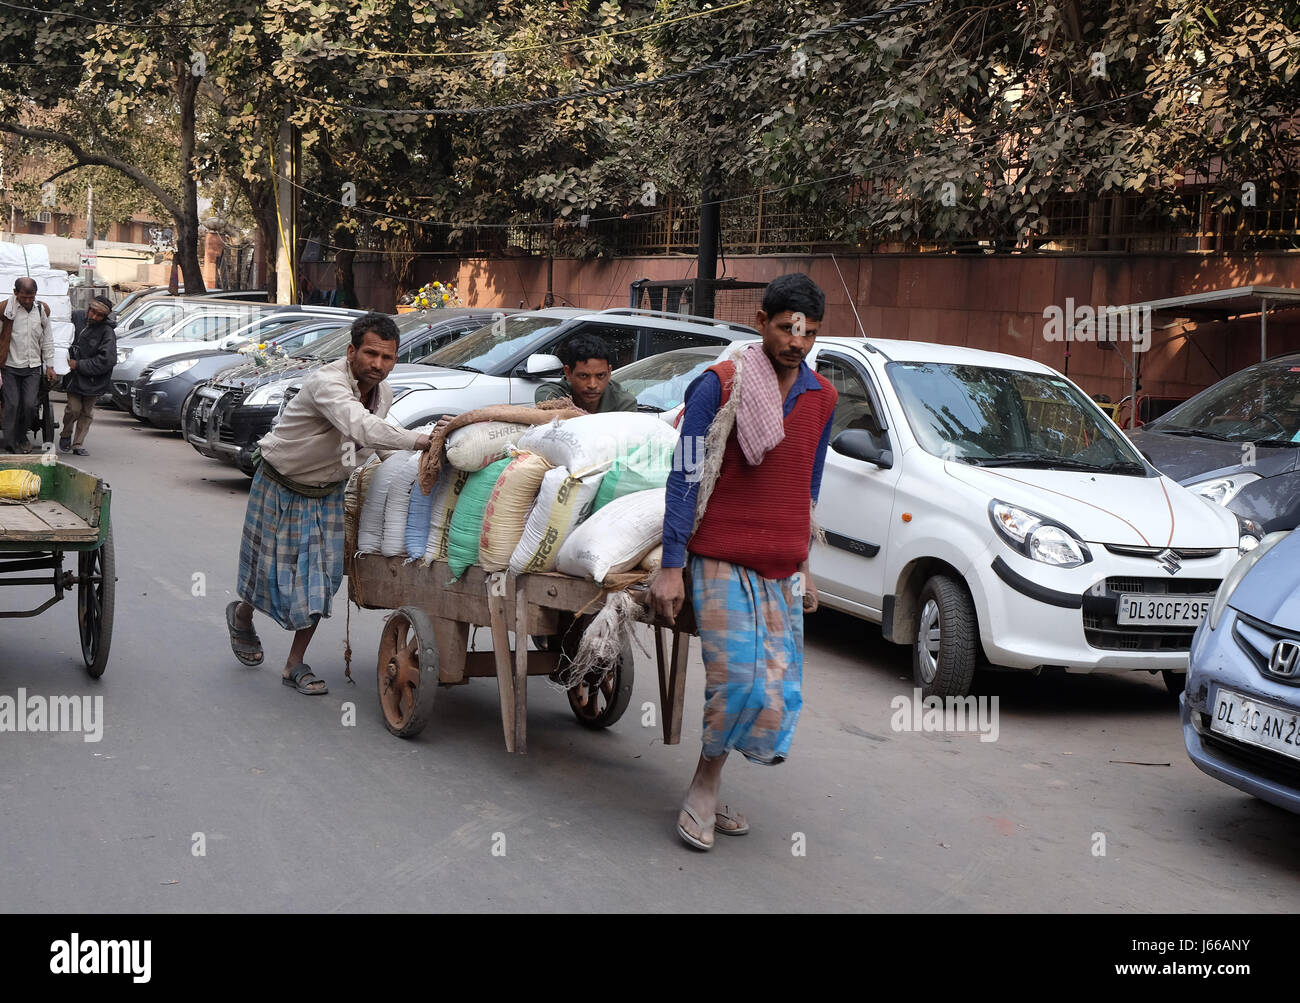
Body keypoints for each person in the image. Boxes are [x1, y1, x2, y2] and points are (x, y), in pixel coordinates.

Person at [649, 273, 838, 851]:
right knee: (736, 682)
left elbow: (809, 485)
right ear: (760, 321)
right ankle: (704, 787)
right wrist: (672, 564)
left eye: (808, 333)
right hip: (719, 557)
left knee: (774, 691)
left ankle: (714, 777)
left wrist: (805, 564)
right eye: (787, 329)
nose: (797, 344)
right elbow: (684, 474)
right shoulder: (718, 384)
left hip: (782, 566)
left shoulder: (823, 398)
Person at [225, 312, 436, 695]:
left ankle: (294, 665)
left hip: (327, 493)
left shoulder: (382, 394)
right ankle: (242, 615)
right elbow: (360, 425)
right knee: (264, 571)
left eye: (387, 358)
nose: (378, 365)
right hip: (280, 481)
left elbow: (373, 443)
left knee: (321, 582)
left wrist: (415, 476)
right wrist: (421, 441)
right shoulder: (327, 383)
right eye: (371, 354)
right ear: (351, 350)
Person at [0, 277, 56, 454]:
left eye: (31, 297)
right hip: (9, 367)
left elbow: (47, 338)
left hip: (32, 368)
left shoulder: (41, 310)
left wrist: (50, 365)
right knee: (12, 405)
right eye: (24, 297)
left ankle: (21, 436)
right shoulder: (4, 310)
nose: (27, 301)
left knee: (30, 404)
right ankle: (10, 442)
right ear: (15, 293)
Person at [59, 296, 117, 456]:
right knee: (73, 409)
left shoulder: (107, 332)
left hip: (94, 379)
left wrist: (79, 365)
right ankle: (66, 433)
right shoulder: (76, 317)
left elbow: (107, 360)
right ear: (89, 308)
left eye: (99, 315)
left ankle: (77, 444)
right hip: (73, 377)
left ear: (104, 317)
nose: (94, 317)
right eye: (92, 312)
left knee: (87, 413)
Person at [534, 333, 637, 414]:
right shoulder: (551, 394)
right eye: (583, 376)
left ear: (609, 372)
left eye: (600, 375)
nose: (592, 385)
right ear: (568, 372)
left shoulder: (624, 402)